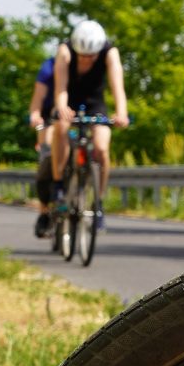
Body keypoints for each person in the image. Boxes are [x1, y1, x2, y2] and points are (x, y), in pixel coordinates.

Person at [49, 18, 128, 208]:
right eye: (82, 55)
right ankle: (59, 183)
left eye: (91, 56)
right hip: (69, 100)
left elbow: (118, 88)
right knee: (60, 129)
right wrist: (62, 107)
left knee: (101, 148)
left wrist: (121, 113)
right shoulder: (65, 52)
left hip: (95, 103)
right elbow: (60, 88)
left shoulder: (110, 53)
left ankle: (98, 200)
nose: (86, 59)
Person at [28, 38, 60, 237]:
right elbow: (37, 100)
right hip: (49, 116)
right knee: (47, 151)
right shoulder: (48, 69)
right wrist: (35, 115)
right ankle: (44, 211)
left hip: (74, 116)